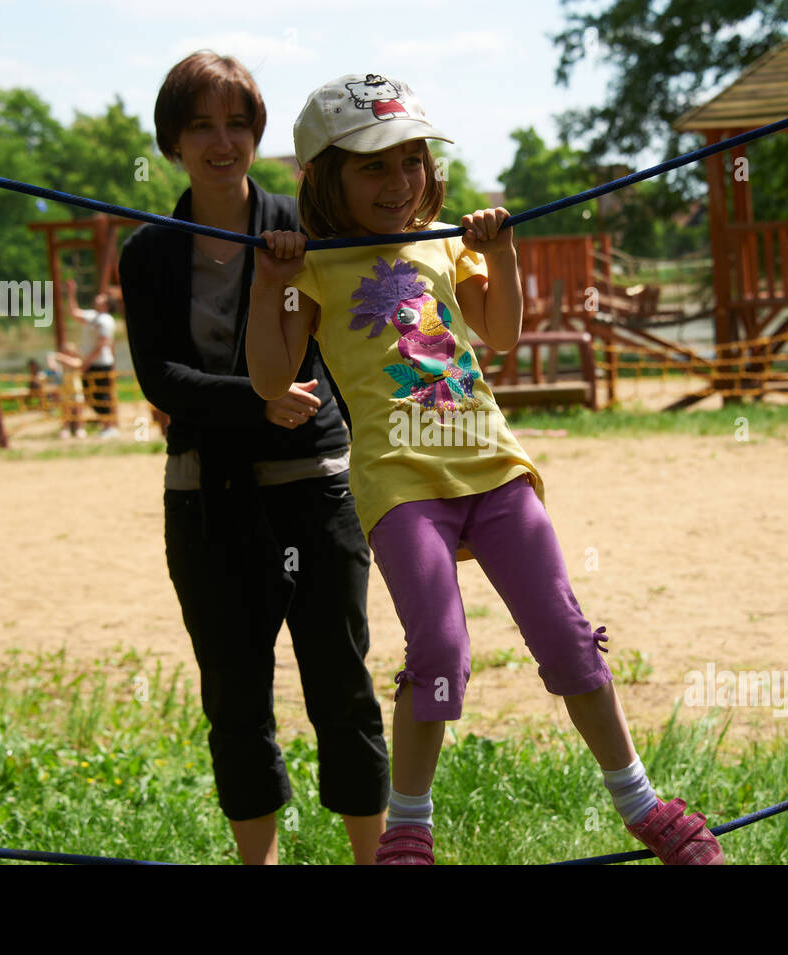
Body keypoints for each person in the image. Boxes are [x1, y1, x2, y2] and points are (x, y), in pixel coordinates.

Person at [246, 73, 725, 865]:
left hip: (494, 467)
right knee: (438, 648)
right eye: (372, 167)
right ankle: (408, 825)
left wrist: (501, 255)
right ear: (323, 177)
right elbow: (271, 377)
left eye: (410, 161)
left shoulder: (445, 243)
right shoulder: (315, 266)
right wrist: (270, 286)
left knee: (570, 639)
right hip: (400, 479)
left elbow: (499, 334)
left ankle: (640, 801)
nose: (399, 183)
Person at [119, 53, 389, 865]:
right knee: (235, 701)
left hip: (316, 489)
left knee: (342, 688)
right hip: (207, 499)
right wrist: (255, 396)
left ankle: (378, 860)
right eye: (200, 124)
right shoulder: (149, 252)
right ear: (173, 140)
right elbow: (158, 375)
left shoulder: (304, 231)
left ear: (258, 132)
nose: (221, 140)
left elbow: (350, 339)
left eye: (237, 122)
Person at [64, 279, 119, 438]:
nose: (98, 297)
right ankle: (105, 425)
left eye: (102, 297)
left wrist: (85, 362)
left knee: (102, 394)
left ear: (107, 304)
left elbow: (102, 344)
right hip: (91, 363)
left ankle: (109, 426)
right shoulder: (93, 317)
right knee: (90, 395)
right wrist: (71, 293)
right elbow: (73, 313)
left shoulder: (105, 320)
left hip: (101, 363)